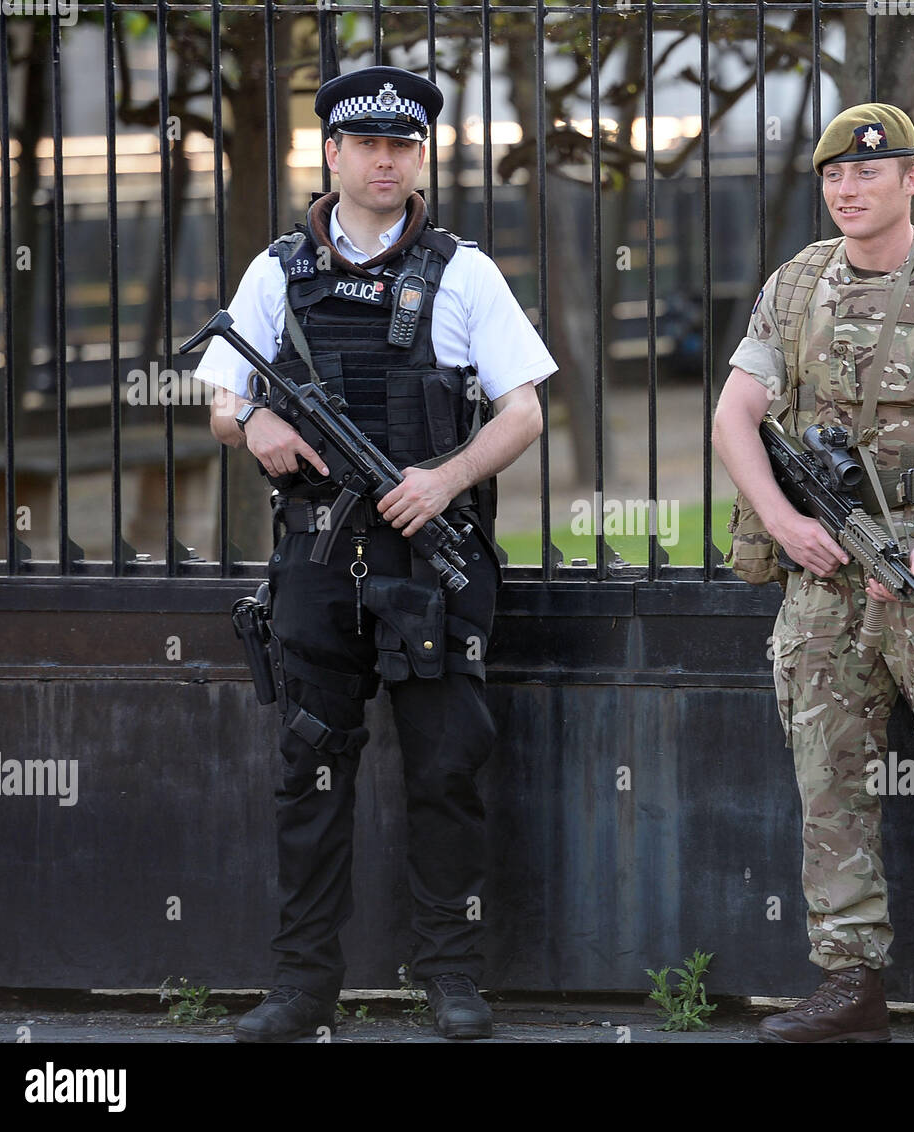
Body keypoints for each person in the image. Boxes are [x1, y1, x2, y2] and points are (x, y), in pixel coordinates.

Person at [197, 66, 554, 1042]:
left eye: (403, 144)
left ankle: (448, 974)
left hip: (430, 563)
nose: (386, 158)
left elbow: (523, 408)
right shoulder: (275, 271)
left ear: (418, 156)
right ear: (334, 154)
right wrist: (255, 421)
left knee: (446, 769)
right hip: (316, 563)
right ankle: (301, 986)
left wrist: (442, 480)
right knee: (309, 773)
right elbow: (222, 393)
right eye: (368, 143)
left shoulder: (463, 271)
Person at [712, 103, 914, 1043]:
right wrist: (782, 521)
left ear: (911, 179)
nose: (848, 190)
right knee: (828, 777)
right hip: (822, 569)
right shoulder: (798, 282)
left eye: (868, 173)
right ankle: (848, 982)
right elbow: (737, 415)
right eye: (834, 178)